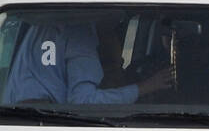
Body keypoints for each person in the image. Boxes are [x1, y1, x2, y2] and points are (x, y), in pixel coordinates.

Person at [2, 18, 170, 106]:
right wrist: (144, 88)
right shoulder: (81, 34)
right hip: (43, 125)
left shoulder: (39, 22)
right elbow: (83, 101)